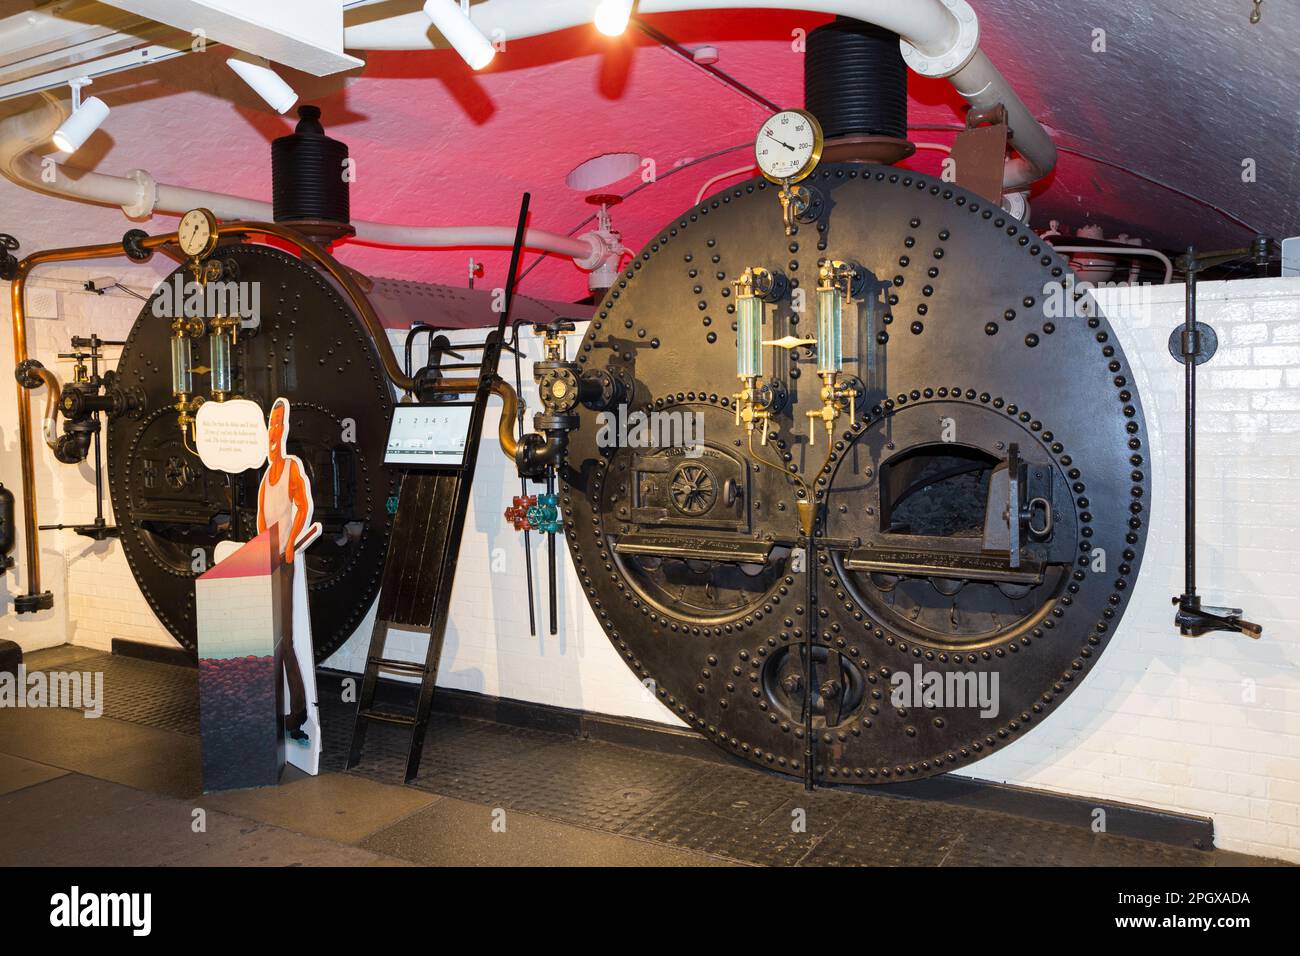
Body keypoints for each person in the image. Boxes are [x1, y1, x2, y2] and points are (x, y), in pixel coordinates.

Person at [256, 398, 320, 745]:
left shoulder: (292, 468)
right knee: (276, 640)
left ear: (285, 431)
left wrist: (291, 543)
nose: (273, 432)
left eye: (279, 425)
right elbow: (262, 523)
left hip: (285, 563)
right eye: (271, 425)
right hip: (268, 562)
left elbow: (303, 506)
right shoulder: (267, 478)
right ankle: (286, 712)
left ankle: (296, 713)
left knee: (285, 640)